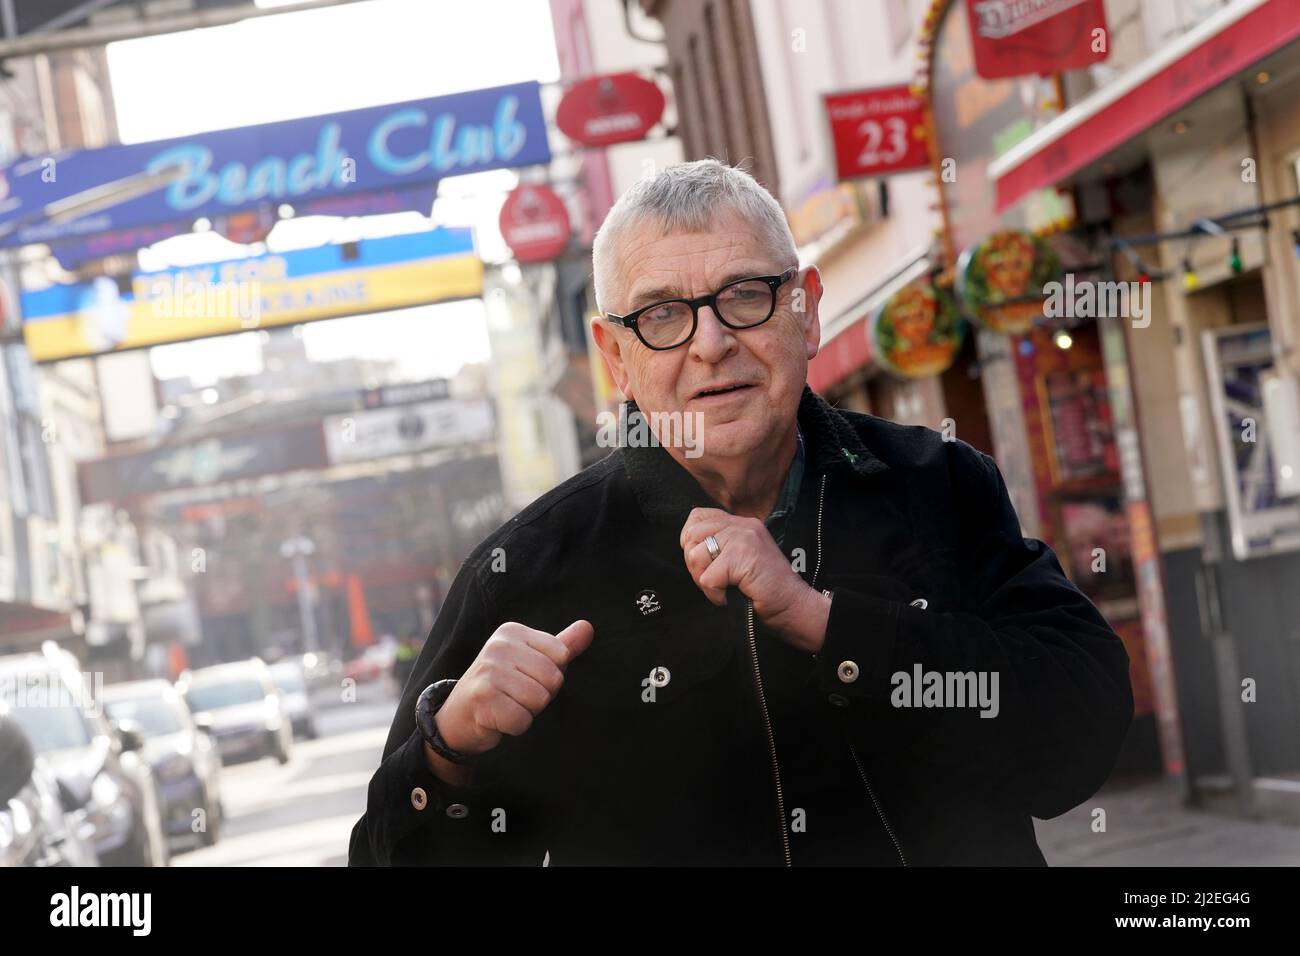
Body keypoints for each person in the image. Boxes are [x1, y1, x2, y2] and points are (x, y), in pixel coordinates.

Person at [349, 159, 1132, 866]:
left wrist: (828, 623)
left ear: (807, 309)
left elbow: (1081, 738)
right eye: (660, 316)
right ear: (615, 358)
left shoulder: (937, 485)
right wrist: (447, 753)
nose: (711, 343)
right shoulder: (530, 567)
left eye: (745, 296)